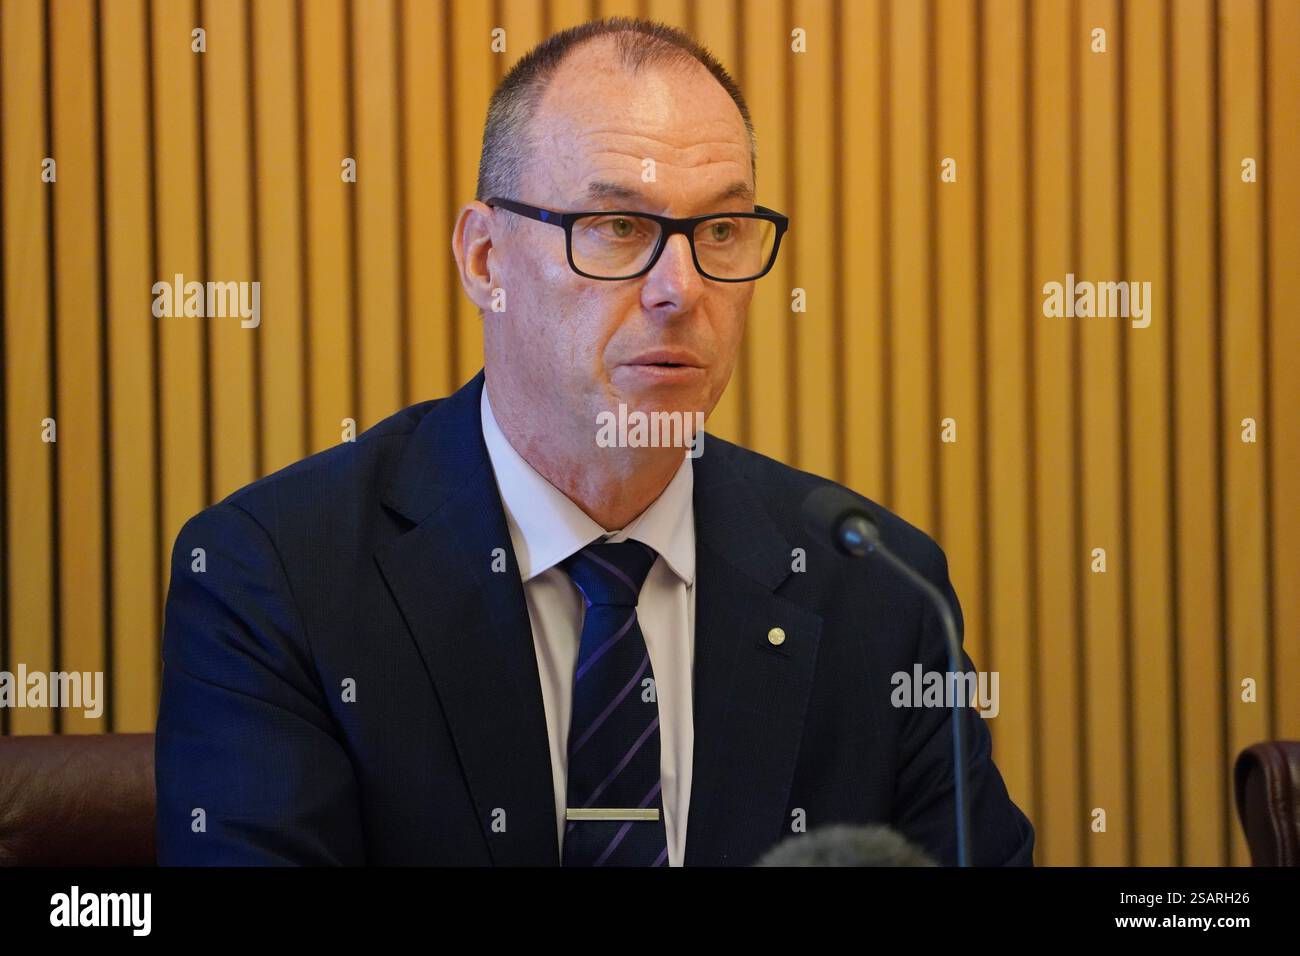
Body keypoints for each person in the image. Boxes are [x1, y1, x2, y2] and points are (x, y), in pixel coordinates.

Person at [155, 15, 1033, 866]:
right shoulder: (275, 576)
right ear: (485, 260)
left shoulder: (877, 592)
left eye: (720, 230)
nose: (679, 290)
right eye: (620, 228)